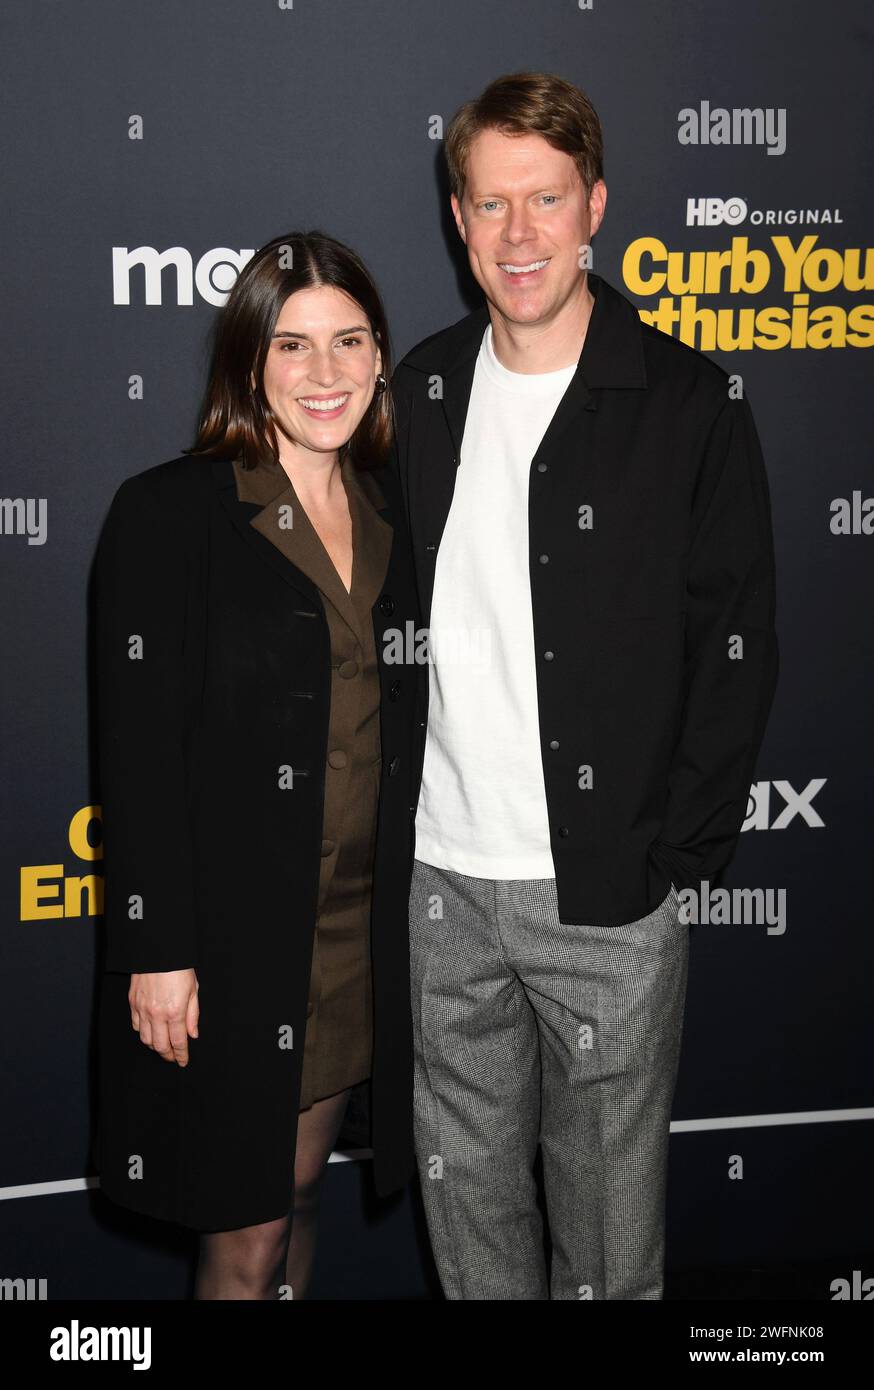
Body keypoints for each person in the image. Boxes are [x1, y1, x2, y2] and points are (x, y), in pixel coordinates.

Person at [393, 72, 779, 1299]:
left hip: (607, 889)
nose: (519, 236)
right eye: (491, 204)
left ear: (594, 205)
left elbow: (737, 640)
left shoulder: (686, 401)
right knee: (473, 1237)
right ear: (459, 218)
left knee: (611, 1252)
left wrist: (674, 857)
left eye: (545, 200)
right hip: (441, 881)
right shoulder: (423, 389)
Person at [93, 230, 419, 1299]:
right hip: (229, 947)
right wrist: (158, 950)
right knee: (243, 1237)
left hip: (355, 938)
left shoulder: (395, 513)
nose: (324, 374)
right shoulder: (170, 512)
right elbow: (136, 749)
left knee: (298, 1197)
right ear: (248, 364)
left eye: (349, 341)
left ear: (380, 355)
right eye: (292, 346)